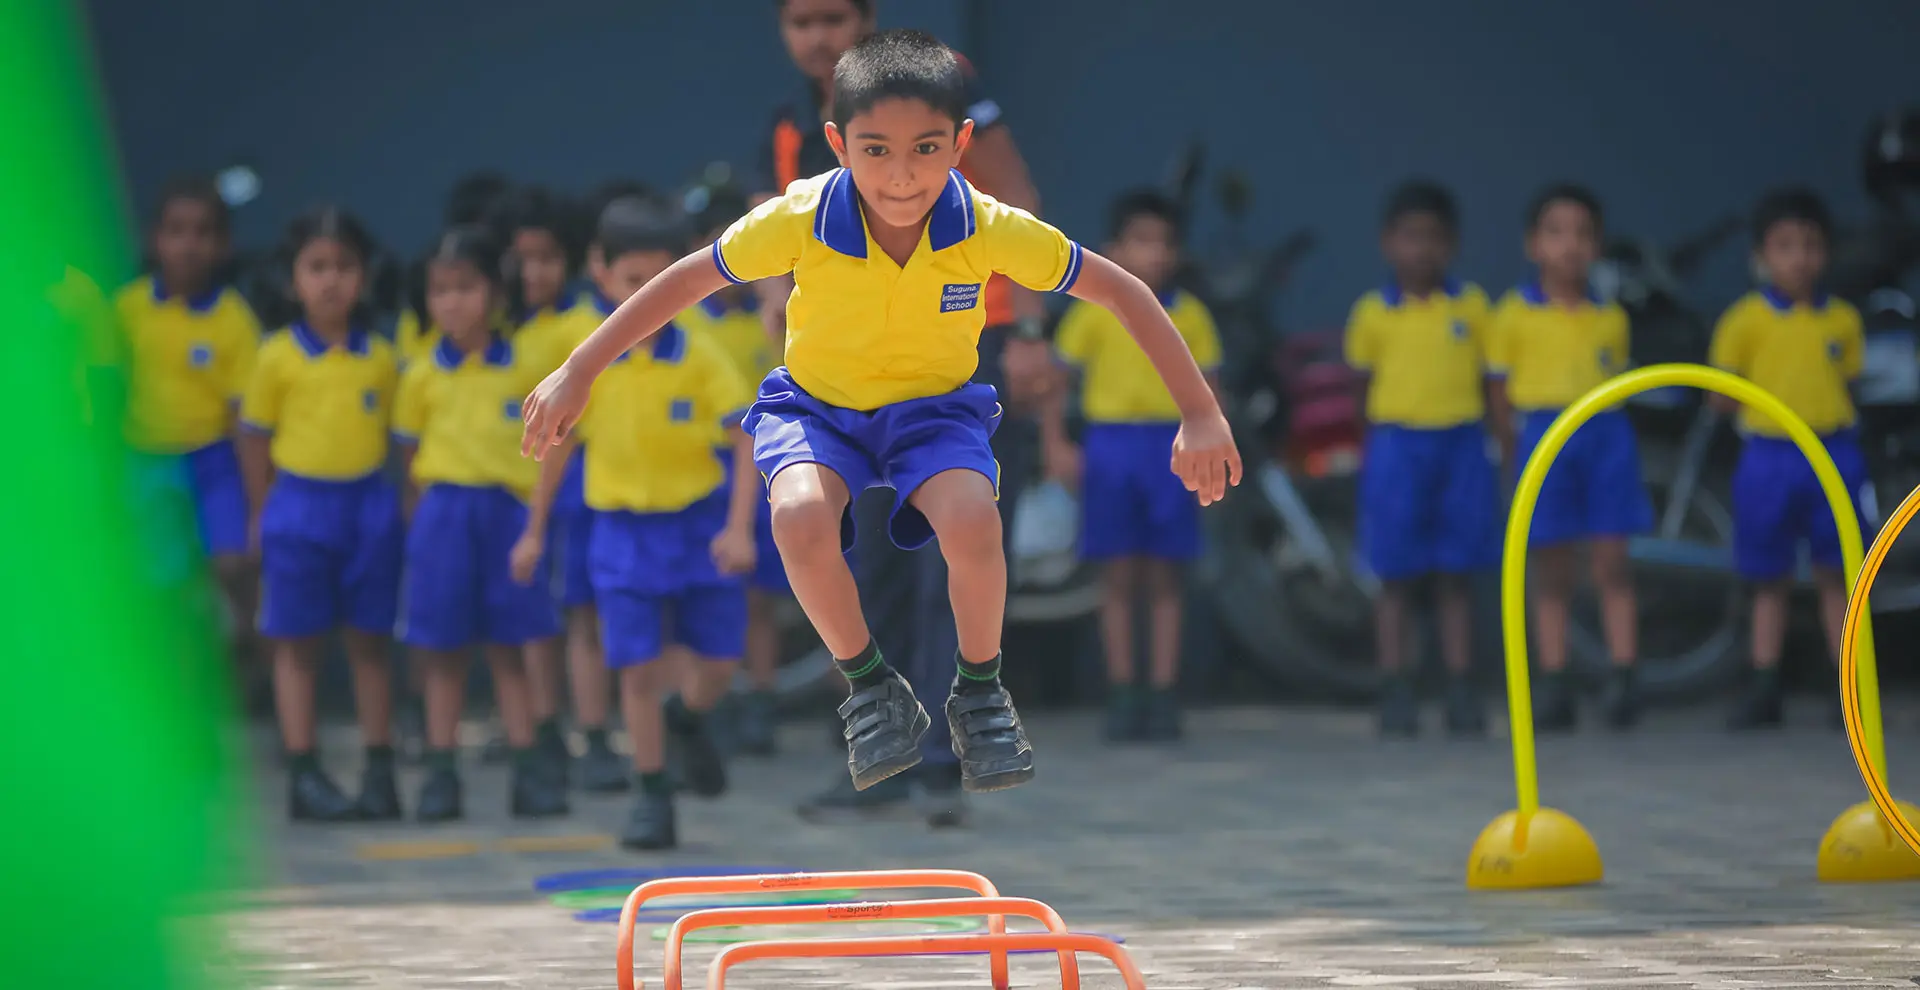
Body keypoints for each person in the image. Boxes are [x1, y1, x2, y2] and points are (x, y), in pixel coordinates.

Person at [521, 30, 1239, 801]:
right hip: (819, 411)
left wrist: (1200, 413)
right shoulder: (798, 216)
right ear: (837, 143)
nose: (902, 176)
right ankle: (870, 685)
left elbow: (1125, 291)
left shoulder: (990, 225)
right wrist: (578, 368)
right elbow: (683, 281)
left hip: (934, 415)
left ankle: (980, 690)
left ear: (962, 143)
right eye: (876, 151)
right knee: (797, 515)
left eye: (927, 149)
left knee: (972, 518)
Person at [764, 0, 1065, 826]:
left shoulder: (949, 87)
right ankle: (882, 755)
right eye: (799, 22)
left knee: (949, 553)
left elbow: (1019, 199)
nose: (818, 35)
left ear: (866, 19)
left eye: (833, 17)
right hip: (847, 378)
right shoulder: (800, 120)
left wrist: (1034, 331)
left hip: (963, 353)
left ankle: (949, 756)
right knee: (862, 560)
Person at [514, 196, 754, 849]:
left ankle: (689, 716)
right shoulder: (586, 358)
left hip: (698, 525)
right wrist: (535, 529)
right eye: (631, 281)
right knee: (639, 667)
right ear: (603, 276)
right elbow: (556, 445)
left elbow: (745, 437)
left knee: (719, 658)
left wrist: (738, 529)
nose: (646, 297)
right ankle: (652, 791)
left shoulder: (702, 353)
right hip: (620, 531)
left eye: (661, 281)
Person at [392, 226, 569, 822]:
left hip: (505, 517)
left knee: (509, 650)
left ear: (494, 293)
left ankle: (528, 770)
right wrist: (419, 534)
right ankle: (441, 773)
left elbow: (553, 450)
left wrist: (534, 529)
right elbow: (407, 462)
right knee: (442, 653)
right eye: (439, 290)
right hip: (442, 517)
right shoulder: (419, 374)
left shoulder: (526, 367)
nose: (451, 302)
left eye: (465, 288)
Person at [238, 207, 404, 820]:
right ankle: (304, 772)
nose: (330, 280)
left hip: (366, 505)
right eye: (316, 267)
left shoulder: (381, 358)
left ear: (363, 277)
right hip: (299, 507)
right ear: (292, 280)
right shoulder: (275, 356)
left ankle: (379, 769)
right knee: (298, 646)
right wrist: (263, 511)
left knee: (370, 643)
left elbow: (398, 437)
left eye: (343, 266)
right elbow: (253, 437)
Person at [1054, 189, 1221, 744]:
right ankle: (1124, 691)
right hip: (1109, 447)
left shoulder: (1191, 316)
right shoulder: (1094, 311)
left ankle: (1163, 692)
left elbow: (1209, 393)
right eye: (1141, 241)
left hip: (1172, 448)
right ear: (1113, 250)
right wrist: (1058, 444)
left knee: (1166, 575)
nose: (1154, 254)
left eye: (1165, 243)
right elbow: (1058, 383)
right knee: (1118, 575)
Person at [512, 192, 661, 794]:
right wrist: (536, 523)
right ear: (598, 266)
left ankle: (642, 732)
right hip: (571, 493)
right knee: (579, 616)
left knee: (624, 618)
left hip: (629, 497)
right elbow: (547, 434)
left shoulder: (672, 332)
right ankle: (590, 734)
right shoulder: (572, 334)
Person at [1488, 184, 1648, 732]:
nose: (1570, 246)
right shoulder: (1510, 314)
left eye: (1583, 234)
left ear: (1598, 246)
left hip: (1604, 436)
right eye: (1556, 232)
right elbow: (1499, 396)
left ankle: (1624, 676)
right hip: (1542, 436)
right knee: (1552, 569)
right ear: (1533, 244)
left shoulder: (1612, 319)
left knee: (1612, 562)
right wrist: (1512, 460)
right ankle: (1554, 681)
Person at [1345, 181, 1498, 738]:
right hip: (1395, 448)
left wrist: (1499, 448)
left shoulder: (1474, 307)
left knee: (1457, 576)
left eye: (1434, 238)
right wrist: (1376, 453)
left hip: (1461, 447)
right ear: (1388, 243)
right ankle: (1396, 688)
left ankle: (1460, 688)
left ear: (1452, 244)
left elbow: (1492, 385)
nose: (1422, 250)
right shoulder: (1371, 314)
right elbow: (1360, 392)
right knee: (1395, 577)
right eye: (1411, 237)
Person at [1710, 188, 1865, 730]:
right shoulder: (1743, 320)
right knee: (1767, 577)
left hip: (1834, 452)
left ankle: (1847, 689)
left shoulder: (1842, 320)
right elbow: (1719, 394)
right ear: (1761, 256)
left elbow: (1849, 380)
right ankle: (1764, 684)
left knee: (1838, 575)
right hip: (1768, 458)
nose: (1799, 257)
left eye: (1811, 245)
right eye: (1785, 246)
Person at [115, 175, 264, 684]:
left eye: (203, 232)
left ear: (221, 245)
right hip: (148, 460)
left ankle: (247, 650)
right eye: (176, 230)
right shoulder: (129, 309)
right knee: (162, 581)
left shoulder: (232, 319)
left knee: (232, 564)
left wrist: (257, 497)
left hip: (215, 461)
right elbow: (104, 389)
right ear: (156, 239)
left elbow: (246, 416)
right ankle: (172, 686)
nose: (189, 244)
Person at [677, 184, 788, 756]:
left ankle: (760, 700)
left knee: (764, 596)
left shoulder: (780, 317)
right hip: (709, 471)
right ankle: (705, 704)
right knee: (713, 593)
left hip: (775, 464)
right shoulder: (687, 325)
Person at [499, 186, 584, 778]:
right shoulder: (493, 329)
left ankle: (587, 730)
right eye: (521, 258)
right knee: (523, 617)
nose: (534, 272)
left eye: (547, 257)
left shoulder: (585, 327)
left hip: (572, 494)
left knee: (576, 614)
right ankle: (536, 726)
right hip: (504, 494)